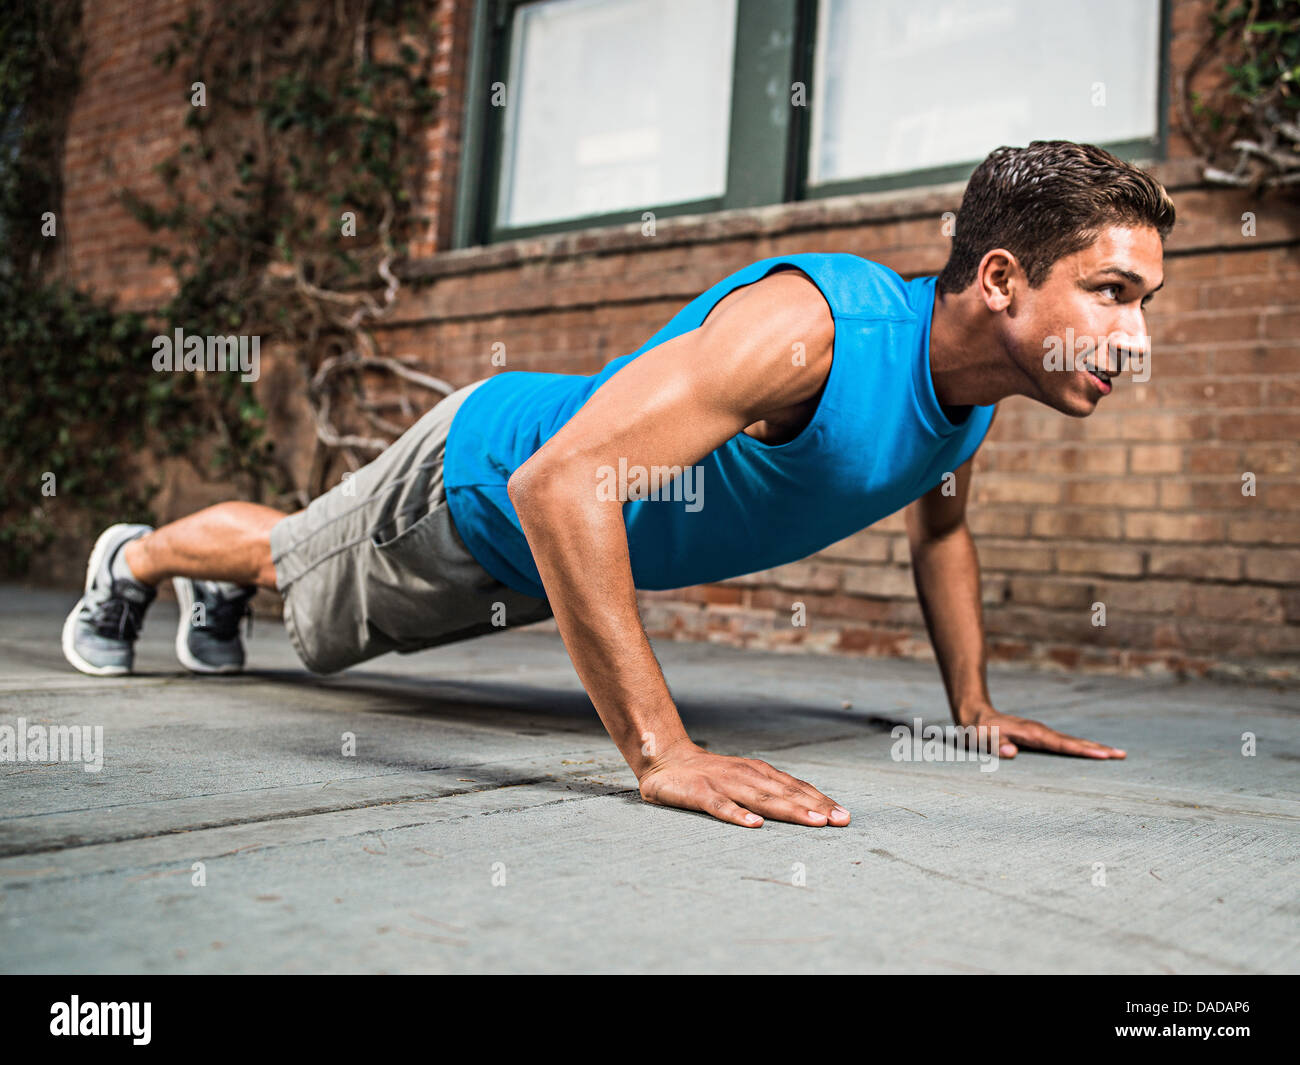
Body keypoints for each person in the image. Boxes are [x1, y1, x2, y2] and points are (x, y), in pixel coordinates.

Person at [63, 140, 1171, 829]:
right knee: (287, 564)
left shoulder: (968, 405)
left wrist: (969, 710)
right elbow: (561, 483)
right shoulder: (816, 331)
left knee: (318, 604)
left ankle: (215, 587)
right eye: (1113, 292)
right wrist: (662, 753)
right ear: (999, 280)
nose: (1132, 340)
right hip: (484, 486)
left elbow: (942, 536)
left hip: (542, 554)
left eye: (1146, 305)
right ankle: (132, 562)